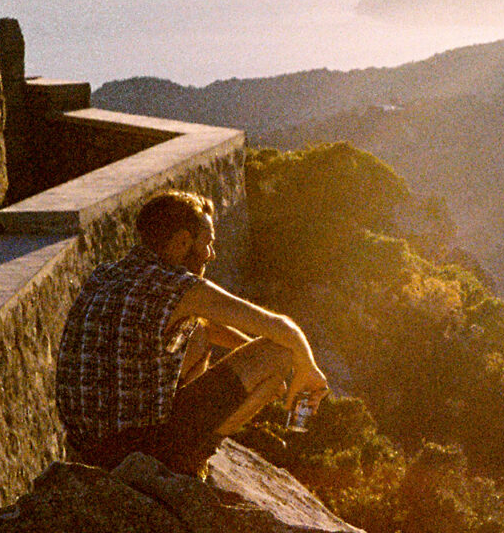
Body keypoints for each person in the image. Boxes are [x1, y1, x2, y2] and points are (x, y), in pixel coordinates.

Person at [56, 189, 328, 476]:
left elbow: (205, 326)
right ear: (183, 241)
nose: (211, 254)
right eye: (207, 243)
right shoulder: (177, 285)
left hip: (85, 446)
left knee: (197, 331)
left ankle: (184, 446)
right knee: (280, 353)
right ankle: (192, 456)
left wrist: (249, 354)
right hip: (138, 450)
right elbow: (282, 329)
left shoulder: (104, 275)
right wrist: (306, 368)